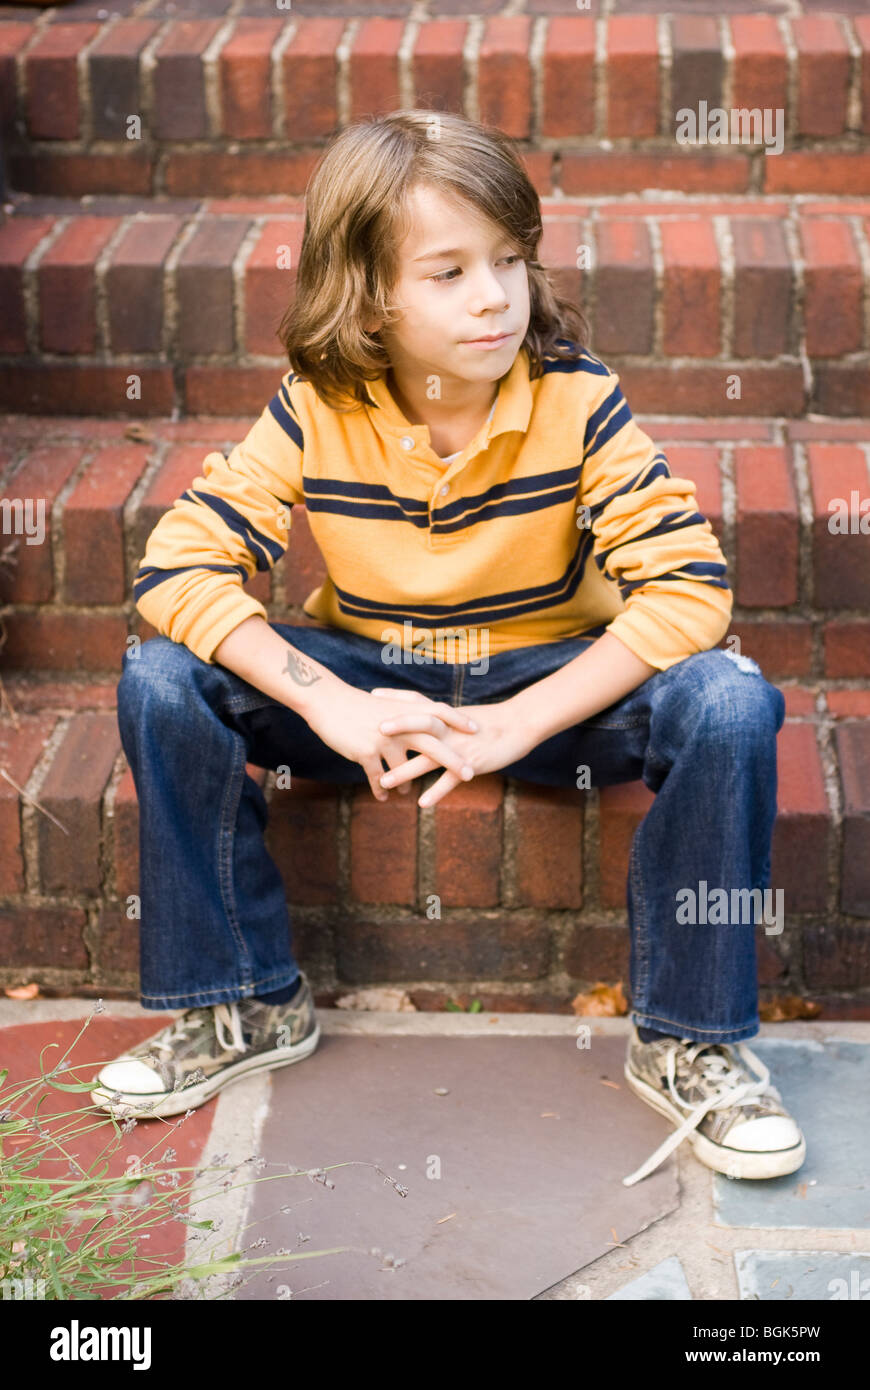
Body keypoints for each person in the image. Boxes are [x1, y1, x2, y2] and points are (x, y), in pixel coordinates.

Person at [90, 109, 805, 1187]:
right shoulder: (317, 407)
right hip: (369, 682)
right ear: (368, 291)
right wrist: (330, 703)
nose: (492, 295)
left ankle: (688, 1035)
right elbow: (177, 568)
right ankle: (243, 1000)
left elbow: (690, 585)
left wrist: (523, 719)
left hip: (542, 682)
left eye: (509, 261)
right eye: (449, 270)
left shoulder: (576, 399)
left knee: (733, 698)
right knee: (160, 677)